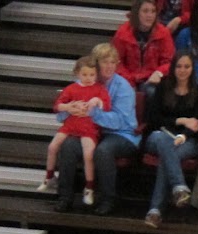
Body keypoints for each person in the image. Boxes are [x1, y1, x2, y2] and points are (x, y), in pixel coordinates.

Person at [54, 43, 141, 215]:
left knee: (103, 150)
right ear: (96, 63)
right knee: (68, 145)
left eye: (113, 62)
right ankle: (65, 197)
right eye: (104, 62)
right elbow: (60, 113)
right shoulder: (86, 80)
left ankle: (108, 199)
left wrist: (92, 113)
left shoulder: (123, 87)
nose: (109, 66)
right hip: (92, 131)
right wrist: (68, 109)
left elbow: (119, 121)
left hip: (122, 134)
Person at [142, 50, 198, 226]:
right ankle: (179, 186)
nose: (183, 70)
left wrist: (183, 135)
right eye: (179, 66)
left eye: (187, 66)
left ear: (192, 69)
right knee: (164, 142)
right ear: (173, 68)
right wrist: (181, 120)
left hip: (187, 140)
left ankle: (155, 210)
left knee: (169, 156)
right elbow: (153, 119)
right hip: (159, 136)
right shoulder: (163, 87)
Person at [38, 55, 111, 205]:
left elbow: (107, 106)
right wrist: (68, 107)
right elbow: (57, 105)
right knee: (52, 147)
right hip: (71, 124)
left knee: (88, 155)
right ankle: (49, 176)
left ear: (96, 75)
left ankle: (89, 187)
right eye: (84, 74)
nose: (88, 78)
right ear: (77, 73)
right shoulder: (71, 88)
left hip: (88, 127)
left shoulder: (99, 89)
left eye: (92, 75)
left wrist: (96, 101)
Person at [112, 0, 176, 92]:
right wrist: (129, 80)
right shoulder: (122, 33)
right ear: (136, 13)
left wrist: (159, 73)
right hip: (127, 78)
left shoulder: (163, 33)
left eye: (153, 11)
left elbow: (169, 61)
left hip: (151, 79)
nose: (150, 15)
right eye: (145, 11)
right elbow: (116, 61)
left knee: (153, 91)